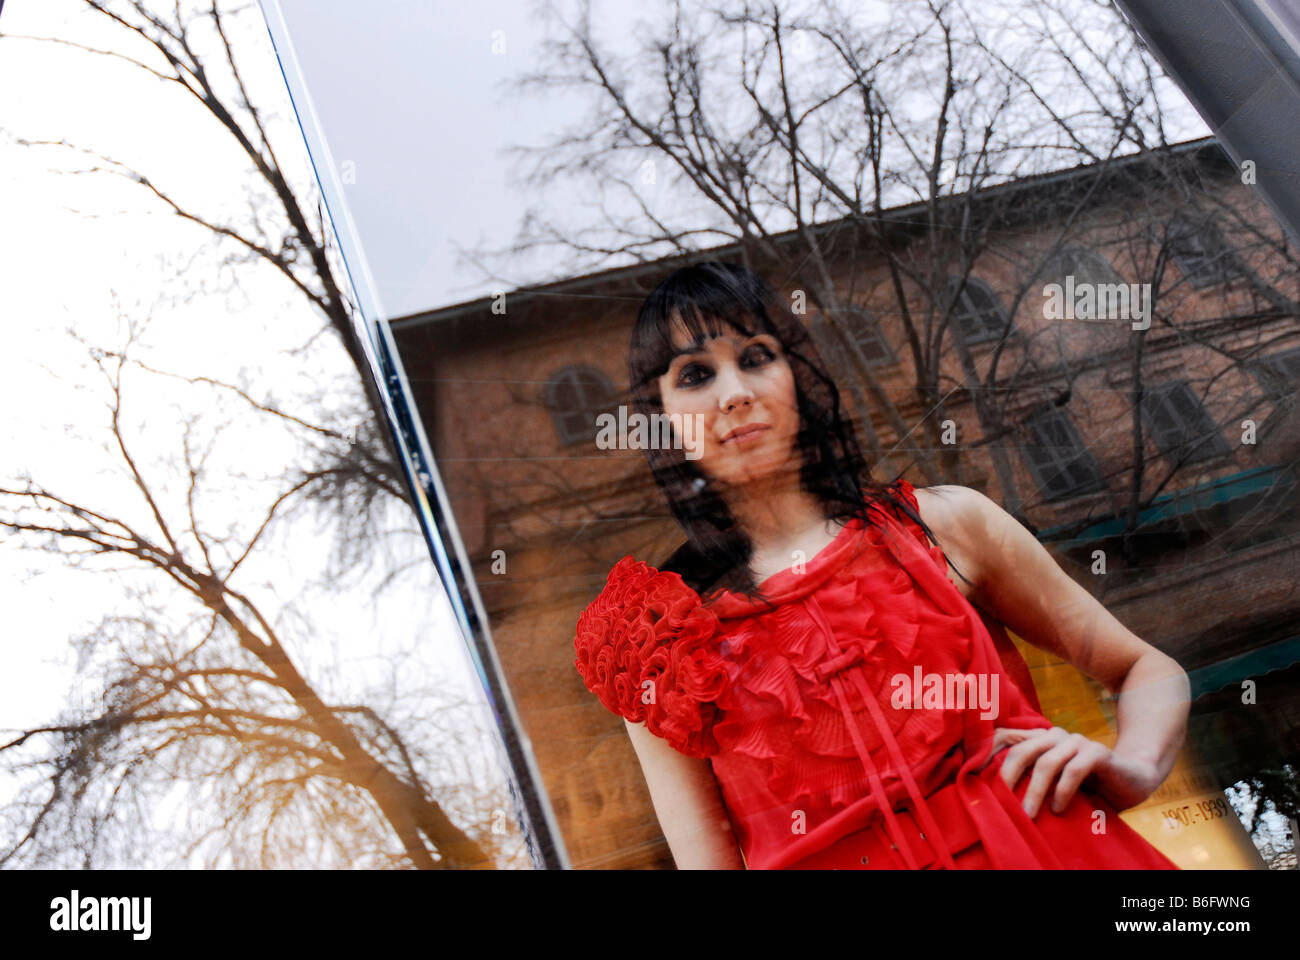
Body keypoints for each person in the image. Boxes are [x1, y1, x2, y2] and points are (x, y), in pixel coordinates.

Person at [573, 261, 1190, 869]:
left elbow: (1143, 668)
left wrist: (1133, 767)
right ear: (660, 416)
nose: (735, 394)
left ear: (798, 378)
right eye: (695, 374)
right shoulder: (651, 639)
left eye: (756, 358)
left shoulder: (948, 522)